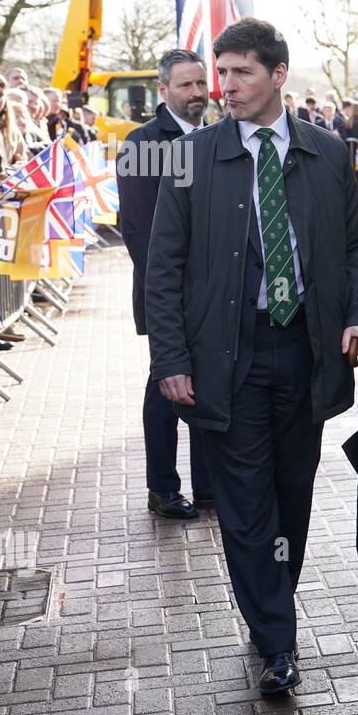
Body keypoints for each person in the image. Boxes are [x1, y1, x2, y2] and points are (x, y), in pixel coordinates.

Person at [146, 18, 358, 696]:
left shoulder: (328, 154)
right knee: (246, 507)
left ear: (278, 75)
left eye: (242, 72)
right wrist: (172, 359)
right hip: (228, 358)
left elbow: (356, 248)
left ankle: (268, 602)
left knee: (291, 499)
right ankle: (277, 639)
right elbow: (163, 268)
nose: (227, 87)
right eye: (222, 73)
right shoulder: (196, 157)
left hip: (305, 351)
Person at [117, 49, 215, 521]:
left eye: (201, 83)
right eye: (185, 86)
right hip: (168, 295)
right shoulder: (142, 144)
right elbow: (136, 228)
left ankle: (210, 485)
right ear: (163, 89)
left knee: (209, 382)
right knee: (165, 387)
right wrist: (171, 291)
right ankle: (162, 487)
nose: (196, 93)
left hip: (218, 292)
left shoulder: (221, 136)